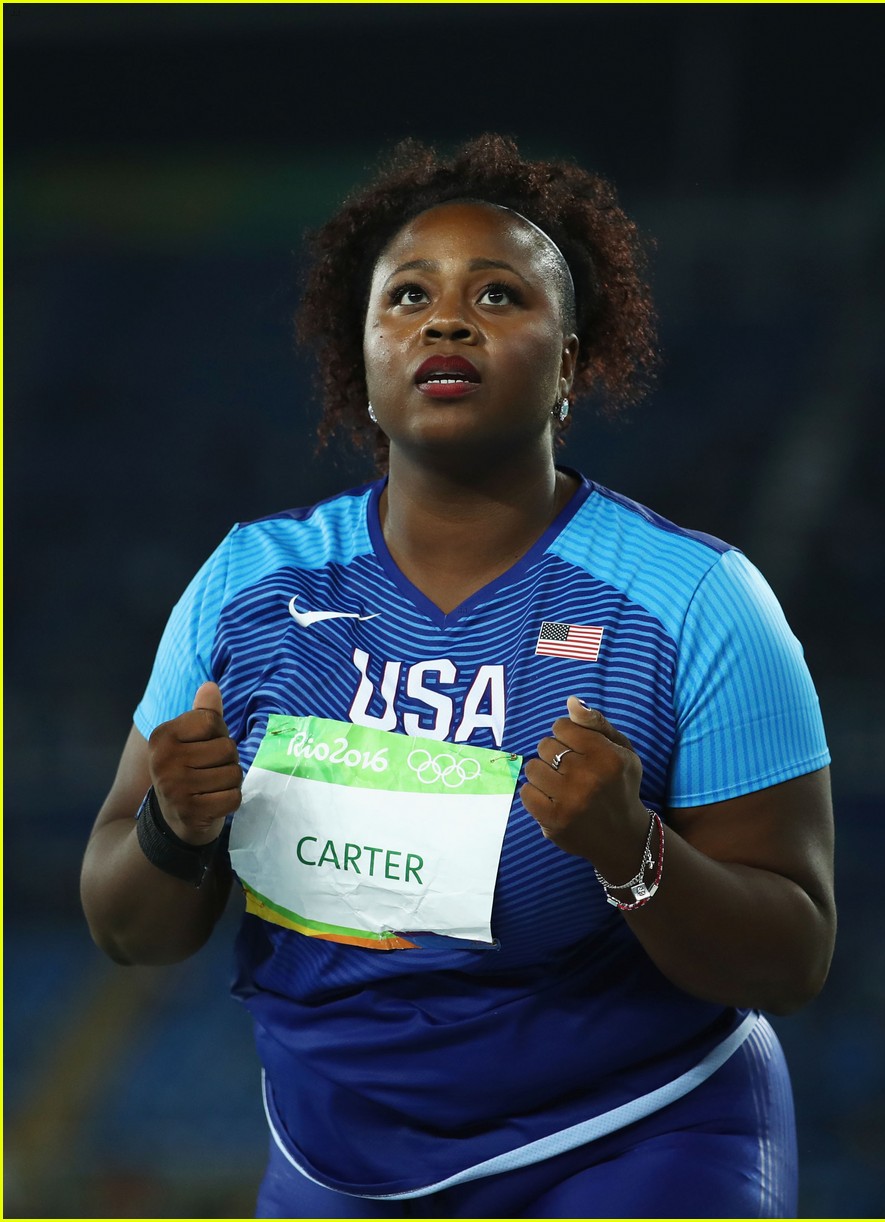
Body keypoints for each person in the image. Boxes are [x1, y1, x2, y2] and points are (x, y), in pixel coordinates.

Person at [80, 134, 835, 1219]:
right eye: (407, 297)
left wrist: (633, 852)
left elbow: (793, 957)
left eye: (498, 294)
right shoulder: (248, 585)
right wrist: (173, 828)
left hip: (635, 1136)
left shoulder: (696, 602)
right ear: (365, 358)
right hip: (335, 1162)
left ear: (571, 361)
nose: (447, 320)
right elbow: (125, 926)